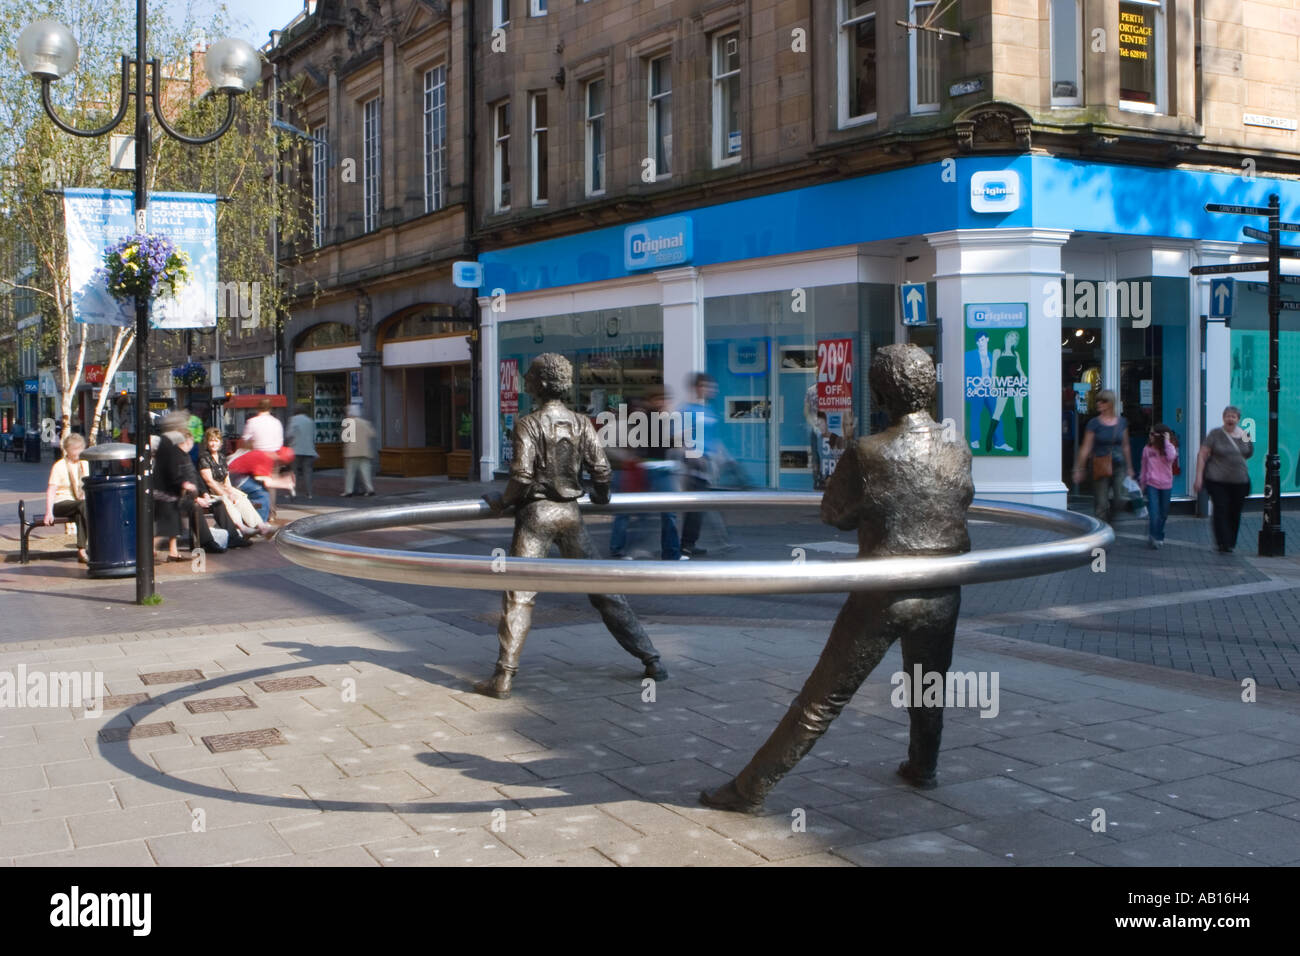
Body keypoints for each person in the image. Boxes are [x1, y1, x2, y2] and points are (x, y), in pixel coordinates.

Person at [700, 345, 973, 813]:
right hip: (942, 587)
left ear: (881, 392)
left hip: (882, 591)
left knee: (822, 698)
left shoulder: (869, 452)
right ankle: (923, 766)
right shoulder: (958, 445)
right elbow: (960, 501)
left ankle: (751, 789)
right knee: (928, 684)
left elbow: (834, 514)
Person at [476, 353, 668, 699]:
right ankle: (651, 657)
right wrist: (603, 497)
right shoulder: (581, 423)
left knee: (520, 595)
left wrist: (502, 502)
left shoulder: (528, 424)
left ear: (540, 383)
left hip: (536, 514)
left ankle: (503, 677)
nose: (526, 380)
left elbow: (520, 476)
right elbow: (603, 471)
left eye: (530, 375)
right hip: (570, 514)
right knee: (602, 589)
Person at [153, 414, 246, 560]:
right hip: (174, 497)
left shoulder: (185, 456)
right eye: (189, 441)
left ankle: (233, 536)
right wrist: (196, 498)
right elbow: (176, 479)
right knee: (192, 509)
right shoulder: (175, 454)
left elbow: (196, 477)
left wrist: (204, 494)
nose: (192, 444)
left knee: (218, 503)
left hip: (183, 496)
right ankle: (207, 542)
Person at [678, 372, 737, 557]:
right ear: (696, 388)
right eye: (705, 386)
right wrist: (693, 456)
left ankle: (691, 542)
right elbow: (681, 437)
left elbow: (714, 438)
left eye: (711, 386)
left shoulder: (709, 411)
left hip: (710, 464)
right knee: (697, 507)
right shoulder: (687, 410)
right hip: (694, 466)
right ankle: (687, 544)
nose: (710, 390)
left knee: (703, 506)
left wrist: (726, 457)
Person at [1194, 405, 1253, 553]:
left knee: (1235, 511)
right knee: (1220, 509)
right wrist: (1199, 477)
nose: (1230, 419)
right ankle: (1222, 542)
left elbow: (1249, 452)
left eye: (1233, 416)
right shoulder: (1215, 434)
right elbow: (1202, 454)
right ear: (1223, 417)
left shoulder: (1245, 434)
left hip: (1239, 481)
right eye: (1228, 416)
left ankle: (1231, 541)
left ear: (1238, 419)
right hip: (1217, 480)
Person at [1071, 389, 1134, 523]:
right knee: (1101, 502)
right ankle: (1103, 530)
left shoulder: (1122, 422)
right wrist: (1079, 468)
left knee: (1121, 498)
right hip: (1100, 464)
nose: (1099, 403)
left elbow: (1126, 445)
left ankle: (1109, 519)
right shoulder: (1094, 423)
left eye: (1103, 401)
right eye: (1097, 401)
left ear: (1111, 403)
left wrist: (1129, 467)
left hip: (1118, 465)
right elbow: (1086, 447)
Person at [197, 429, 273, 537]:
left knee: (241, 499)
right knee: (226, 502)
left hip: (224, 488)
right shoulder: (204, 457)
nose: (214, 443)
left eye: (216, 440)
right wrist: (226, 494)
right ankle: (242, 528)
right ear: (207, 442)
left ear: (220, 442)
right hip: (212, 491)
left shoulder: (222, 457)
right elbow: (209, 481)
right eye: (211, 441)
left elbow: (226, 477)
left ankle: (260, 525)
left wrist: (230, 491)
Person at [43, 433, 90, 564]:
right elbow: (51, 490)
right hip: (60, 503)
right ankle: (96, 540)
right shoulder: (59, 466)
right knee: (83, 506)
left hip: (79, 503)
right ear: (67, 450)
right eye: (75, 449)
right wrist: (49, 512)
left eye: (80, 448)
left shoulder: (84, 464)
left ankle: (81, 550)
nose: (78, 452)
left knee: (81, 513)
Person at [228, 446, 296, 523]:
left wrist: (283, 481)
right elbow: (267, 482)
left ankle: (251, 517)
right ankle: (260, 524)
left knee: (261, 491)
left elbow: (264, 478)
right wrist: (286, 484)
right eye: (281, 462)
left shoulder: (266, 455)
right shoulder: (266, 459)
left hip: (238, 475)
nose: (280, 465)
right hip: (235, 476)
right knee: (262, 495)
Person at [1139, 424, 1179, 549]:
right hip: (1152, 484)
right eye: (1149, 434)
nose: (1150, 436)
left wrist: (1166, 441)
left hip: (1166, 485)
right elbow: (1144, 467)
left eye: (1152, 434)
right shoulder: (1147, 449)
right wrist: (1142, 484)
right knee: (1154, 512)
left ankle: (1158, 534)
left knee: (1164, 513)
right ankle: (1155, 536)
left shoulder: (1169, 447)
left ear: (1159, 436)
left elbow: (1171, 457)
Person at [963, 331, 1004, 451]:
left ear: (987, 340)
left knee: (997, 414)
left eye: (982, 340)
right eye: (978, 341)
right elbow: (965, 373)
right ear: (976, 342)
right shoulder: (969, 355)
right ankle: (974, 440)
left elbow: (997, 373)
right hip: (977, 389)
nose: (980, 342)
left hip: (989, 389)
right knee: (975, 415)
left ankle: (999, 442)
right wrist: (972, 387)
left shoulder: (992, 356)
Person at [987, 330, 1025, 452]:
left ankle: (1019, 438)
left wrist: (1024, 378)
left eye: (1015, 338)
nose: (1013, 339)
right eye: (1011, 337)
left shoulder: (1016, 354)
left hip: (1016, 383)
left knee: (1019, 410)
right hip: (1004, 383)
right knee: (998, 410)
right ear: (1006, 337)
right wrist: (993, 385)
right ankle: (989, 437)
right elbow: (993, 370)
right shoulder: (998, 352)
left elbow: (1019, 368)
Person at [341, 405, 376, 497]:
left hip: (352, 452)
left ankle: (349, 491)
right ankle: (370, 489)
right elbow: (372, 434)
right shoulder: (365, 423)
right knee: (365, 473)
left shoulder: (348, 423)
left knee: (350, 474)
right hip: (365, 451)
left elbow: (345, 438)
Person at [286, 403, 317, 499]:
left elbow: (289, 434)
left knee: (294, 472)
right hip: (308, 449)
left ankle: (293, 492)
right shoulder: (310, 421)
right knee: (308, 471)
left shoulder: (293, 420)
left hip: (295, 449)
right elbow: (314, 435)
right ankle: (309, 493)